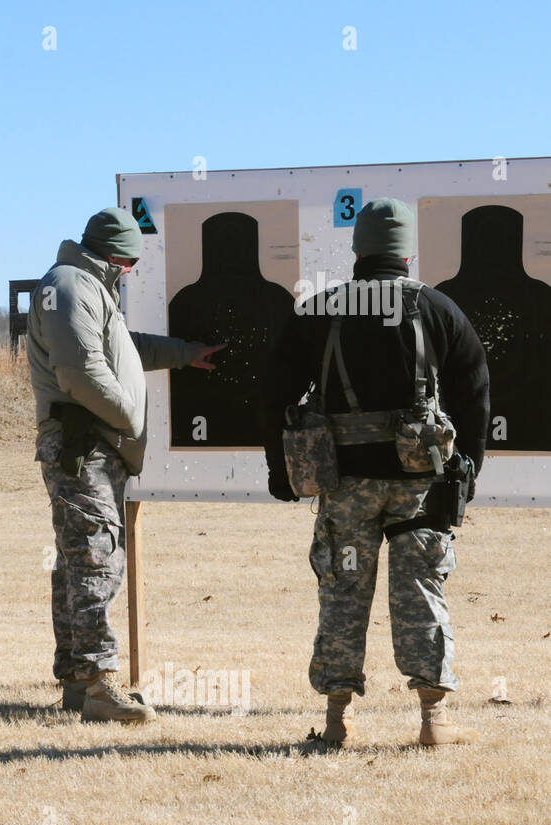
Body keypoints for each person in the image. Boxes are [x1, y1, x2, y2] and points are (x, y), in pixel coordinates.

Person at [262, 198, 490, 746]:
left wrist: (281, 469)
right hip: (423, 485)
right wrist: (469, 469)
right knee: (422, 590)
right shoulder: (439, 310)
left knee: (342, 590)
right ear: (409, 252)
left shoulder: (319, 310)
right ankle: (433, 721)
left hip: (344, 485)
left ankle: (339, 722)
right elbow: (475, 392)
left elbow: (273, 392)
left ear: (357, 249)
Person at [28, 207, 224, 722]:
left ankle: (78, 682)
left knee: (77, 559)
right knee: (94, 557)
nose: (132, 272)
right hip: (83, 442)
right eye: (130, 263)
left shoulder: (83, 285)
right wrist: (128, 419)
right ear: (116, 254)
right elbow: (81, 370)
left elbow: (121, 351)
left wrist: (183, 353)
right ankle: (98, 683)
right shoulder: (72, 285)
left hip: (88, 441)